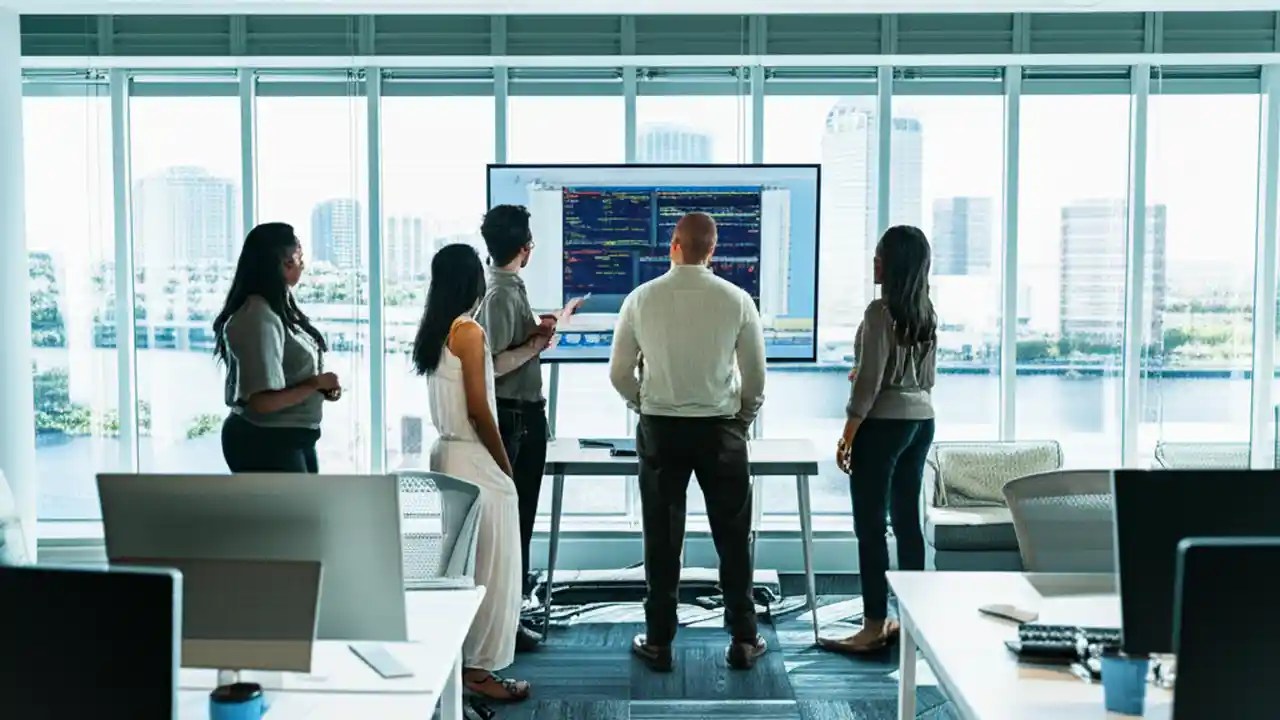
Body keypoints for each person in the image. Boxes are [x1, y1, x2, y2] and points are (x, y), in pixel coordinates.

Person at [609, 212, 768, 673]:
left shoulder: (641, 299)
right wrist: (741, 419)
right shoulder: (737, 300)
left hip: (661, 429)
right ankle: (743, 638)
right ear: (712, 250)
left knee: (661, 538)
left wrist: (645, 403)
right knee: (733, 537)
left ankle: (658, 641)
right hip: (721, 430)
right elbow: (755, 379)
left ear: (673, 246)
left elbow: (620, 373)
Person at [412, 243, 531, 702]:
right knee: (492, 568)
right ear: (473, 280)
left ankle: (460, 663)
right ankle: (479, 671)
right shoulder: (468, 331)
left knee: (459, 567)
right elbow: (482, 412)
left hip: (445, 456)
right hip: (475, 459)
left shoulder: (436, 330)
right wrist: (505, 467)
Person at [820, 225, 937, 655]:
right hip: (922, 422)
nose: (874, 263)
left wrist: (848, 434)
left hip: (883, 427)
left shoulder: (878, 311)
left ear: (894, 264)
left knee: (869, 528)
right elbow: (925, 380)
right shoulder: (925, 312)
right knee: (907, 523)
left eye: (880, 256)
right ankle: (912, 622)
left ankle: (872, 626)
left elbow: (868, 384)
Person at [473, 204, 558, 652]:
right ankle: (504, 627)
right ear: (526, 248)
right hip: (515, 416)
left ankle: (507, 620)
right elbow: (492, 366)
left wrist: (534, 335)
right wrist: (539, 342)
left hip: (514, 416)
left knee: (514, 522)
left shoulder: (498, 287)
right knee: (515, 522)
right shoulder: (502, 293)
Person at [213, 222, 341, 473]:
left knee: (301, 512)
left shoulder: (279, 307)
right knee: (294, 513)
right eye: (297, 258)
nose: (301, 265)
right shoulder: (258, 315)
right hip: (266, 440)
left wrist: (319, 388)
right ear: (278, 264)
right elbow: (261, 402)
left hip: (290, 437)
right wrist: (315, 385)